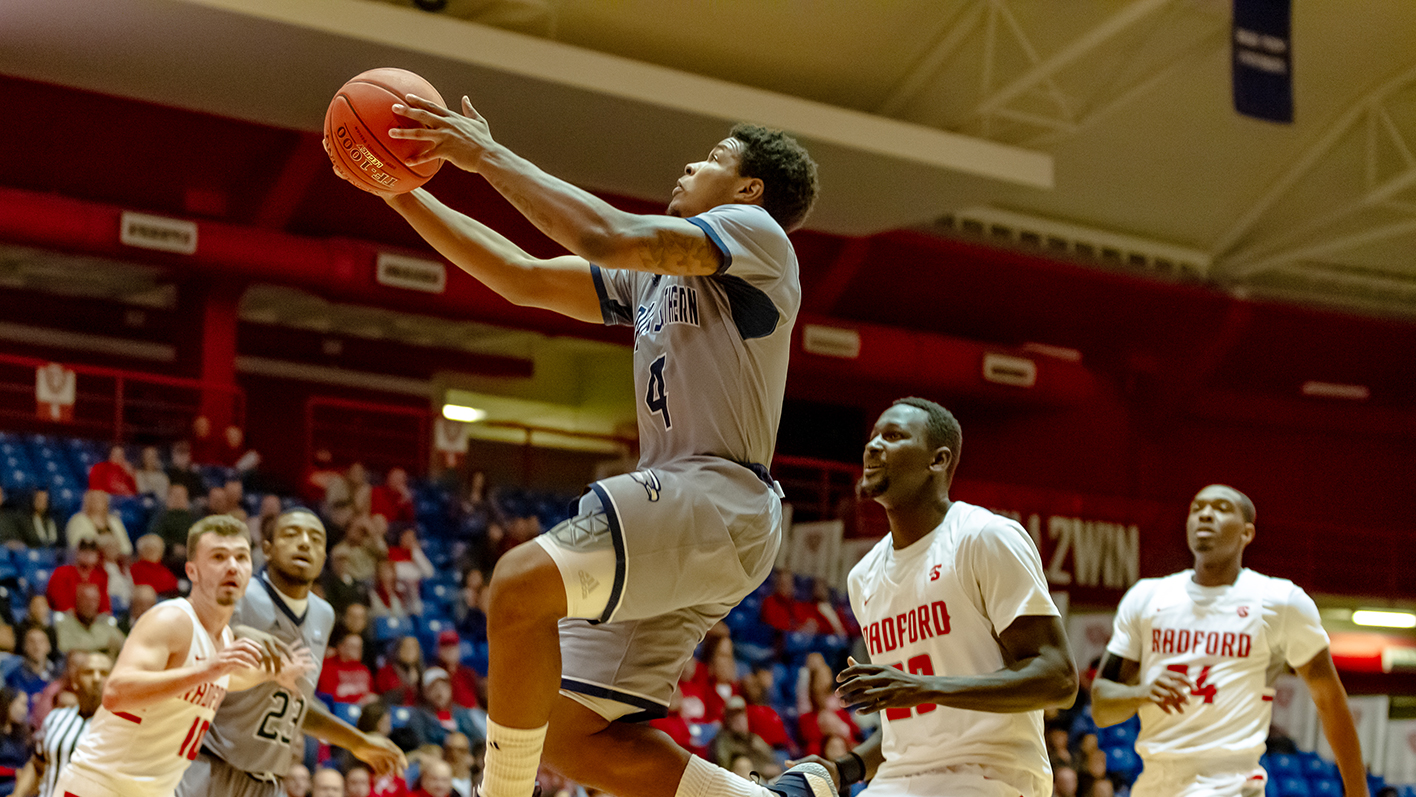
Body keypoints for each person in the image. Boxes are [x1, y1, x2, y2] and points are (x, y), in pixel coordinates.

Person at [337, 93, 825, 797]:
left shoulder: (756, 233)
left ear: (749, 189)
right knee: (571, 736)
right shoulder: (660, 272)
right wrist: (400, 192)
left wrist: (483, 155)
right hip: (700, 520)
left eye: (717, 156)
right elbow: (521, 275)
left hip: (715, 494)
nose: (692, 162)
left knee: (517, 583)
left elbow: (604, 232)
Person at [794, 398, 1078, 797]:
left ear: (938, 461)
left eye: (892, 436)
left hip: (991, 776)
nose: (873, 446)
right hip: (897, 778)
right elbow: (908, 716)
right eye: (873, 437)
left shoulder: (984, 537)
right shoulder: (864, 576)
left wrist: (925, 687)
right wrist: (846, 767)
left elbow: (1059, 678)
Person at [1091, 484, 1368, 797]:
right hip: (1154, 785)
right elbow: (1101, 705)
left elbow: (1329, 700)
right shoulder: (1145, 597)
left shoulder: (1281, 601)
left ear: (1247, 533)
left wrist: (1358, 792)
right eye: (1197, 508)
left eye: (1221, 508)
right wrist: (1142, 693)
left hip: (1232, 786)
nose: (1205, 515)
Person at [53, 514, 313, 797]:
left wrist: (272, 674)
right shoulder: (171, 620)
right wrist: (208, 669)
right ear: (192, 571)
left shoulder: (223, 637)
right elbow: (116, 692)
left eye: (241, 557)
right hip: (100, 787)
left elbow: (227, 678)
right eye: (218, 557)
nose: (232, 566)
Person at [177, 508, 405, 797]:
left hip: (269, 782)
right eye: (292, 534)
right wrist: (239, 633)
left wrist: (357, 742)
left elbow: (293, 706)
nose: (305, 543)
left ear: (324, 558)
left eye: (315, 539)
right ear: (268, 550)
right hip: (205, 766)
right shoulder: (235, 593)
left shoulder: (323, 614)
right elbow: (183, 639)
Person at [13, 651, 112, 797]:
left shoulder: (122, 728)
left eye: (104, 673)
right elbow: (37, 764)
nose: (96, 678)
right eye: (88, 672)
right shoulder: (55, 718)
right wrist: (17, 794)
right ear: (75, 682)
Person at [407, 668, 486, 748]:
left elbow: (478, 739)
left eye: (443, 687)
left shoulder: (462, 713)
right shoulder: (418, 717)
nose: (439, 692)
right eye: (433, 688)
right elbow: (421, 745)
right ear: (425, 693)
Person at [54, 583, 125, 658]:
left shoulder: (106, 625)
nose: (90, 604)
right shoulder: (65, 625)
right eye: (85, 599)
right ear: (77, 600)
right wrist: (102, 648)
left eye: (93, 600)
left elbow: (125, 647)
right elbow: (65, 648)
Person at [46, 539, 112, 615]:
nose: (88, 553)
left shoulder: (101, 576)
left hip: (92, 621)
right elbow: (58, 601)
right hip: (68, 618)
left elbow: (105, 607)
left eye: (92, 550)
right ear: (77, 553)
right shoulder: (62, 572)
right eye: (84, 550)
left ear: (97, 555)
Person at [65, 490, 131, 557]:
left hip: (116, 561)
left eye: (101, 499)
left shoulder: (114, 521)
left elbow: (126, 548)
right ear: (87, 501)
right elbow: (81, 545)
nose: (98, 502)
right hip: (92, 560)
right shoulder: (78, 520)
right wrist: (103, 544)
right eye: (94, 499)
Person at [149, 484, 198, 566]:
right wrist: (172, 547)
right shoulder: (161, 517)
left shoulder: (193, 518)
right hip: (167, 558)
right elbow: (155, 536)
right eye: (175, 496)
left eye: (181, 496)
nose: (178, 499)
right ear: (168, 498)